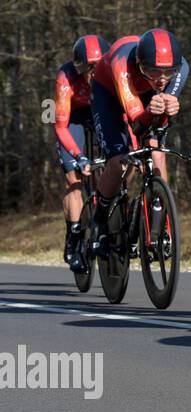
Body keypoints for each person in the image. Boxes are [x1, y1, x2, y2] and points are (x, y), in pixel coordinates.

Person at [89, 29, 190, 251]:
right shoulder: (121, 64)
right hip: (110, 94)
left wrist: (170, 103)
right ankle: (100, 219)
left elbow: (163, 104)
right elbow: (136, 125)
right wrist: (151, 112)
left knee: (157, 153)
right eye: (153, 71)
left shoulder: (179, 67)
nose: (162, 79)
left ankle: (159, 215)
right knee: (119, 162)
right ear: (139, 63)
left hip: (144, 91)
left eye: (168, 72)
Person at [54, 34, 109, 272]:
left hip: (98, 111)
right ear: (79, 69)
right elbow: (60, 126)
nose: (94, 73)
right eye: (89, 69)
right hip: (72, 119)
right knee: (74, 178)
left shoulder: (109, 75)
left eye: (98, 67)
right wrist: (78, 155)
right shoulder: (66, 78)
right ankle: (74, 237)